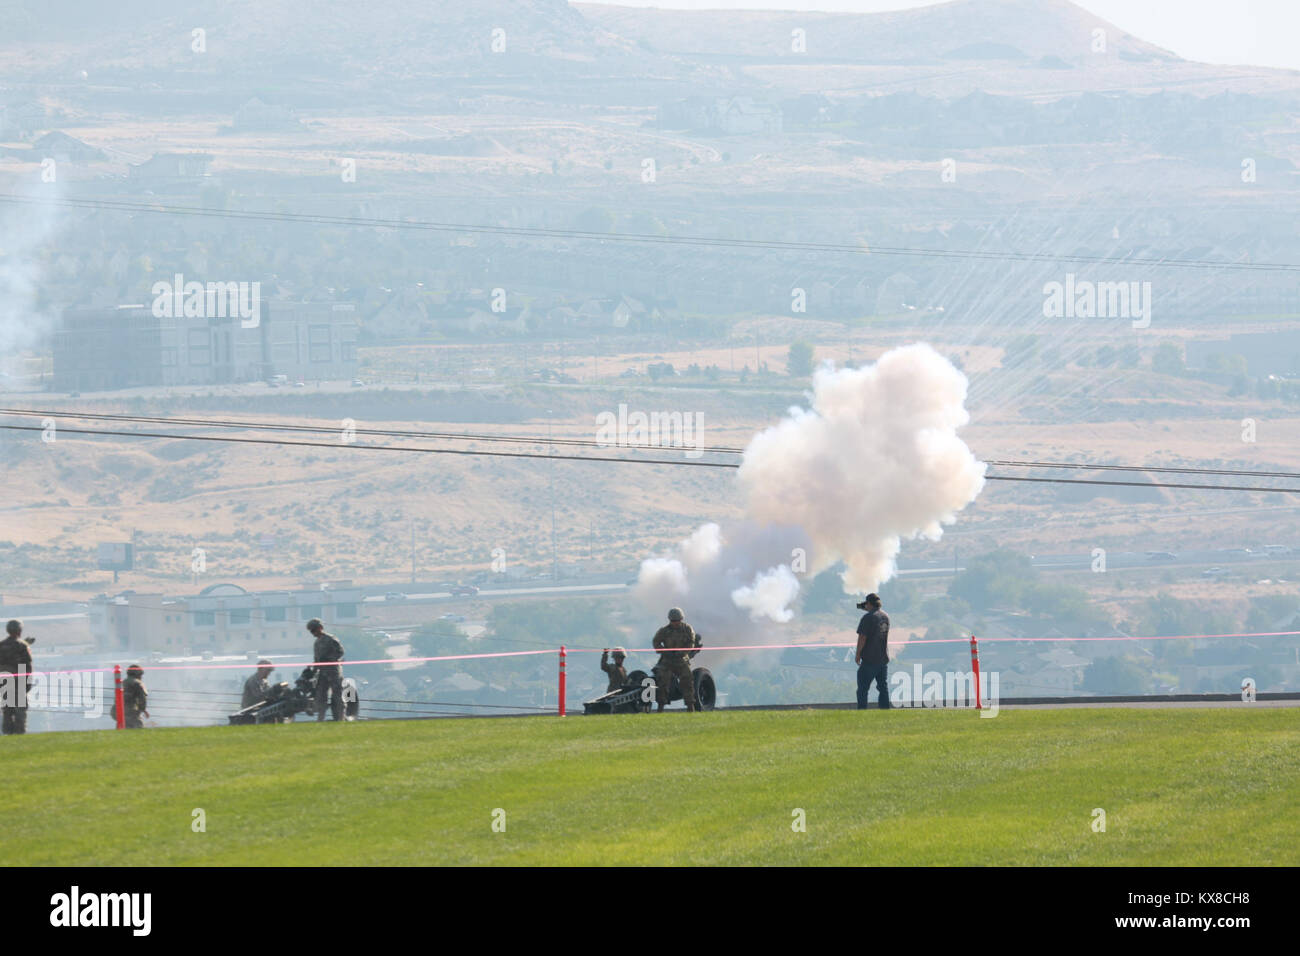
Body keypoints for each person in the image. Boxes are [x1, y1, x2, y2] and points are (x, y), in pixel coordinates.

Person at [652, 607, 699, 712]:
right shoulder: (664, 631)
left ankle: (690, 705)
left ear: (681, 619)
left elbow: (691, 643)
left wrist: (681, 652)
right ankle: (660, 707)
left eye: (677, 620)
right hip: (667, 660)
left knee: (687, 680)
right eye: (673, 621)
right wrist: (664, 651)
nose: (675, 623)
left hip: (681, 660)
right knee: (662, 681)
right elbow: (656, 642)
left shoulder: (687, 629)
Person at [855, 594, 891, 710]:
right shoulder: (885, 616)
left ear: (868, 603)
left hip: (870, 659)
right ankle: (885, 709)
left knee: (862, 688)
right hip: (882, 658)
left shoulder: (868, 618)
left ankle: (862, 710)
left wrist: (858, 654)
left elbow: (862, 637)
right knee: (882, 687)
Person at [0, 619, 33, 735]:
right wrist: (27, 684)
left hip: (4, 682)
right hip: (19, 683)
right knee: (20, 711)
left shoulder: (1, 645)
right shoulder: (22, 646)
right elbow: (27, 666)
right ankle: (19, 734)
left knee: (7, 710)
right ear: (19, 630)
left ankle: (8, 734)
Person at [307, 619, 345, 722]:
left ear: (320, 628)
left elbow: (340, 652)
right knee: (321, 697)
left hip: (333, 671)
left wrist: (329, 659)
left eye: (314, 630)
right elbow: (317, 660)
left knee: (337, 695)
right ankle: (321, 718)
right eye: (311, 631)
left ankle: (341, 718)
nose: (313, 633)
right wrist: (312, 670)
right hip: (322, 673)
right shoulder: (317, 643)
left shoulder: (330, 639)